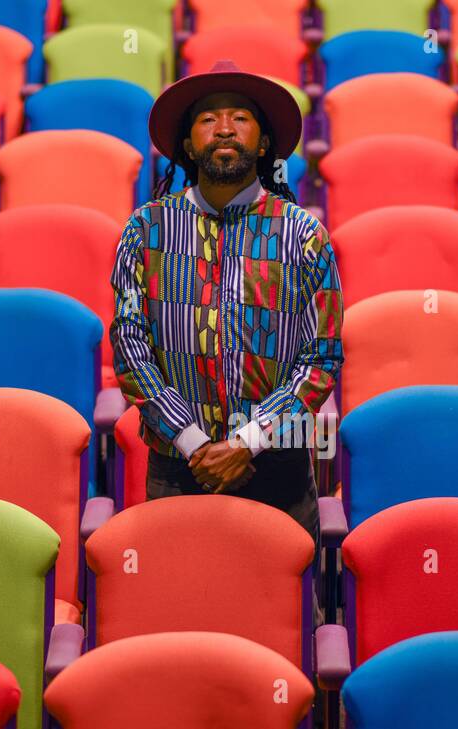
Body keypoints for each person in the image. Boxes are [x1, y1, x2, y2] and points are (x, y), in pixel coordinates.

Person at [109, 60, 343, 544]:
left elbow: (320, 358)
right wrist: (195, 444)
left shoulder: (304, 236)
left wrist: (246, 442)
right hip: (177, 467)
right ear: (188, 146)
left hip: (276, 467)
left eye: (240, 117)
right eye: (207, 118)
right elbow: (131, 348)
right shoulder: (145, 230)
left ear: (263, 144)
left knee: (280, 617)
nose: (223, 128)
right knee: (179, 610)